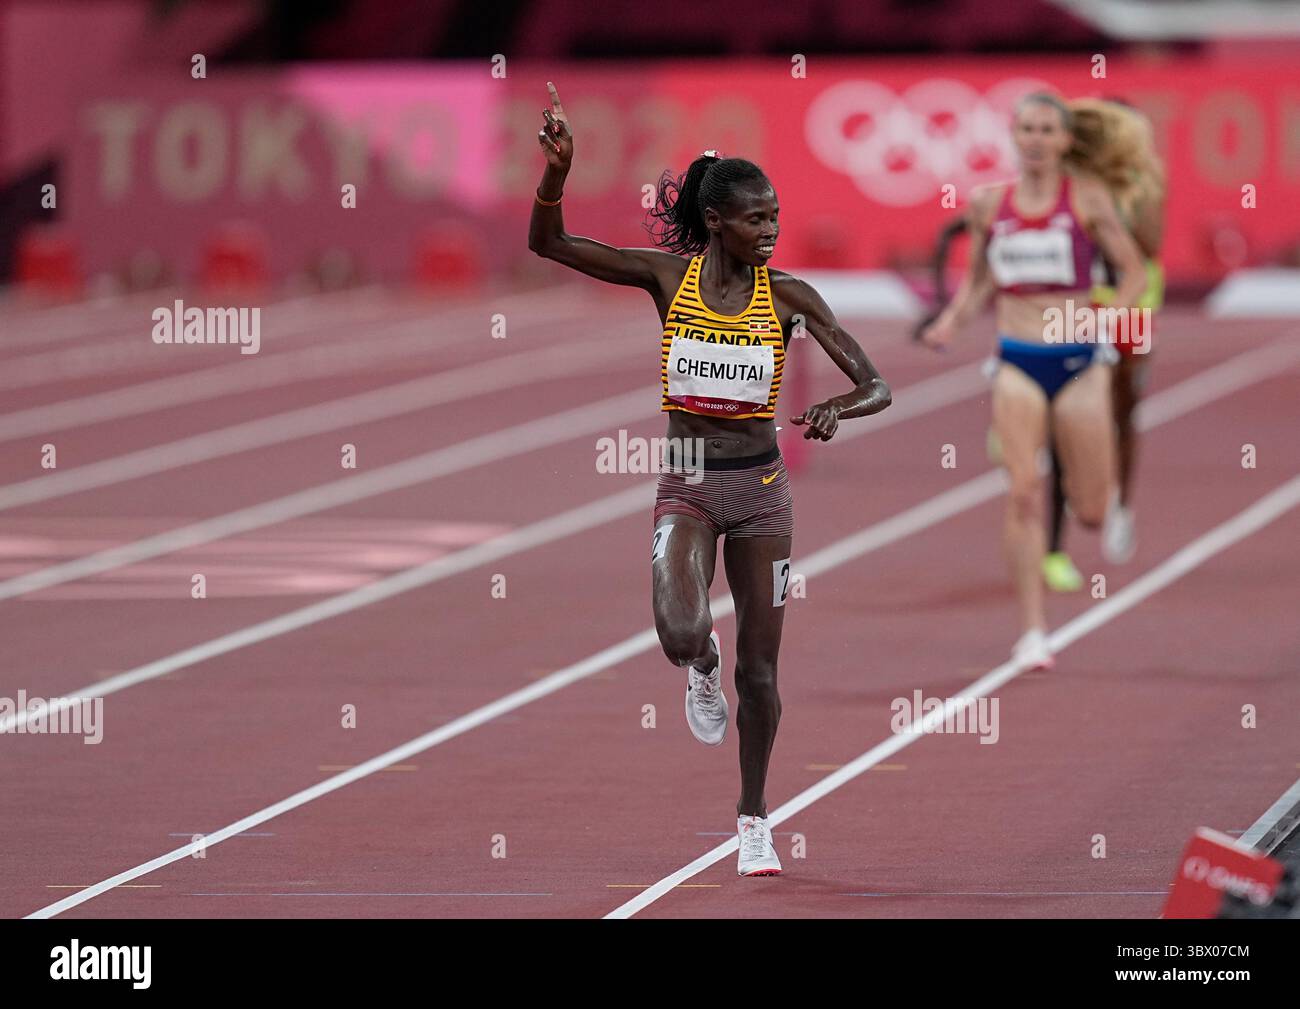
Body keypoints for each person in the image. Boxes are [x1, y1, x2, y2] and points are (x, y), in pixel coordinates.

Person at [529, 82, 891, 875]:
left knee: (763, 672)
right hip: (689, 484)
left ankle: (753, 817)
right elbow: (550, 245)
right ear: (718, 221)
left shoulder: (789, 296)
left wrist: (838, 406)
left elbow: (877, 382)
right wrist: (558, 173)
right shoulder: (668, 280)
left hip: (762, 497)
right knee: (683, 630)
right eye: (758, 219)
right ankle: (700, 667)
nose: (771, 231)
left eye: (777, 218)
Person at [920, 92, 1146, 670]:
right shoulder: (989, 204)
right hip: (1017, 360)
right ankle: (1031, 632)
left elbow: (1134, 272)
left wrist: (1107, 318)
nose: (1038, 138)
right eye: (1028, 128)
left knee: (1091, 510)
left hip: (1079, 365)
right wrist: (950, 321)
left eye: (1048, 129)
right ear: (1014, 138)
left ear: (1066, 140)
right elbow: (978, 283)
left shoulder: (1088, 198)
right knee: (1022, 493)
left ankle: (1106, 498)